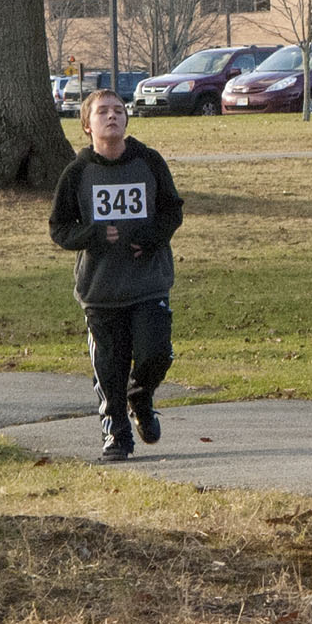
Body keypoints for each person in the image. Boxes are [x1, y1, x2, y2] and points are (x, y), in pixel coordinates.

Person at [49, 88, 183, 461]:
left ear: (126, 120)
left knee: (157, 352)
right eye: (103, 112)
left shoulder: (148, 161)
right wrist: (92, 234)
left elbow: (172, 211)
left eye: (118, 110)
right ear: (87, 126)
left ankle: (140, 397)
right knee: (109, 368)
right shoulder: (77, 173)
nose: (112, 116)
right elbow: (59, 228)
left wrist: (152, 237)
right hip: (101, 289)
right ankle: (117, 435)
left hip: (148, 282)